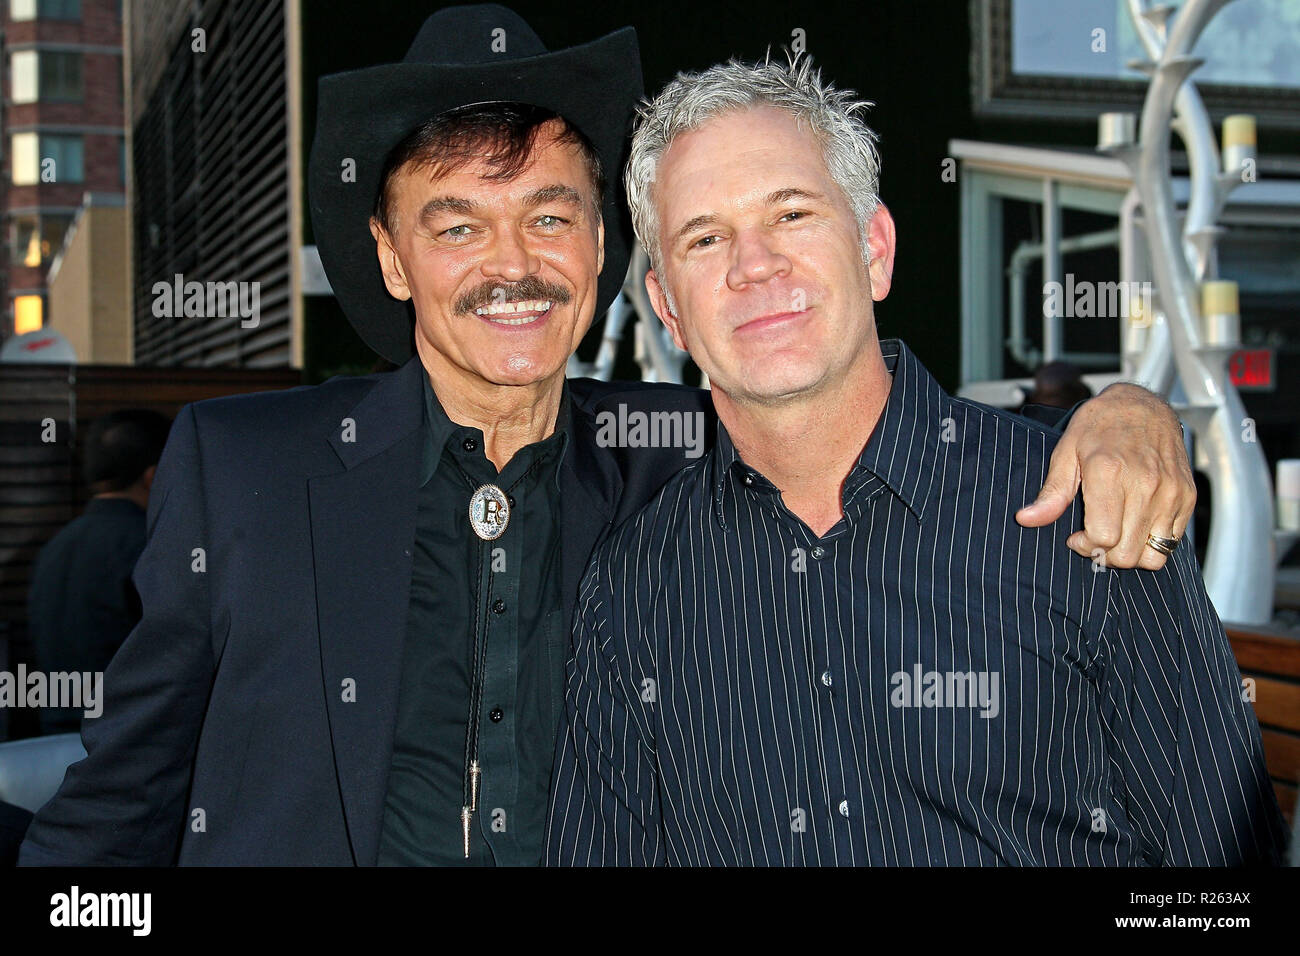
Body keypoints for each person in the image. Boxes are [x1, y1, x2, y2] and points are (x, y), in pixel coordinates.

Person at [21, 7, 1192, 866]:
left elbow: (835, 406)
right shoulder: (247, 470)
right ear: (391, 259)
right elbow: (115, 812)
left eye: (549, 215)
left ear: (602, 259)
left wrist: (1123, 415)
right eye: (455, 223)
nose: (511, 266)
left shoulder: (676, 459)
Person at [545, 54, 1286, 866]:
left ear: (875, 249)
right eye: (706, 237)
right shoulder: (635, 585)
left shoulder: (1085, 509)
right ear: (668, 312)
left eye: (792, 215)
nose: (753, 264)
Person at [27, 409, 171, 734]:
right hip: (126, 737)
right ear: (153, 476)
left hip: (57, 736)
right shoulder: (150, 546)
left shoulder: (56, 547)